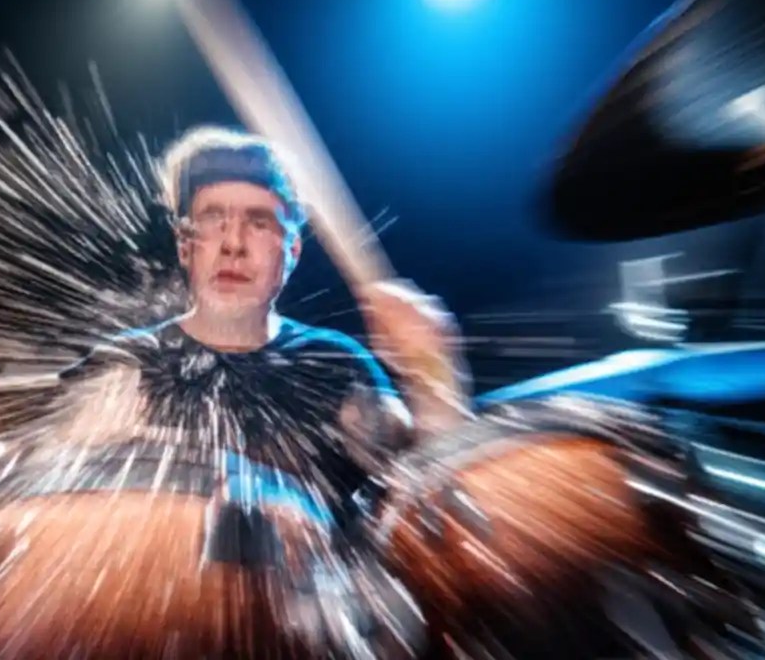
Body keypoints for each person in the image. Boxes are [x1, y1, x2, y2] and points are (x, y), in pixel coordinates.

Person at [30, 125, 469, 530]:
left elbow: (437, 500)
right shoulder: (127, 366)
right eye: (213, 220)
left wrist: (432, 365)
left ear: (292, 251)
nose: (233, 243)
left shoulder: (336, 365)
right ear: (186, 246)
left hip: (312, 610)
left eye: (259, 223)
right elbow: (35, 502)